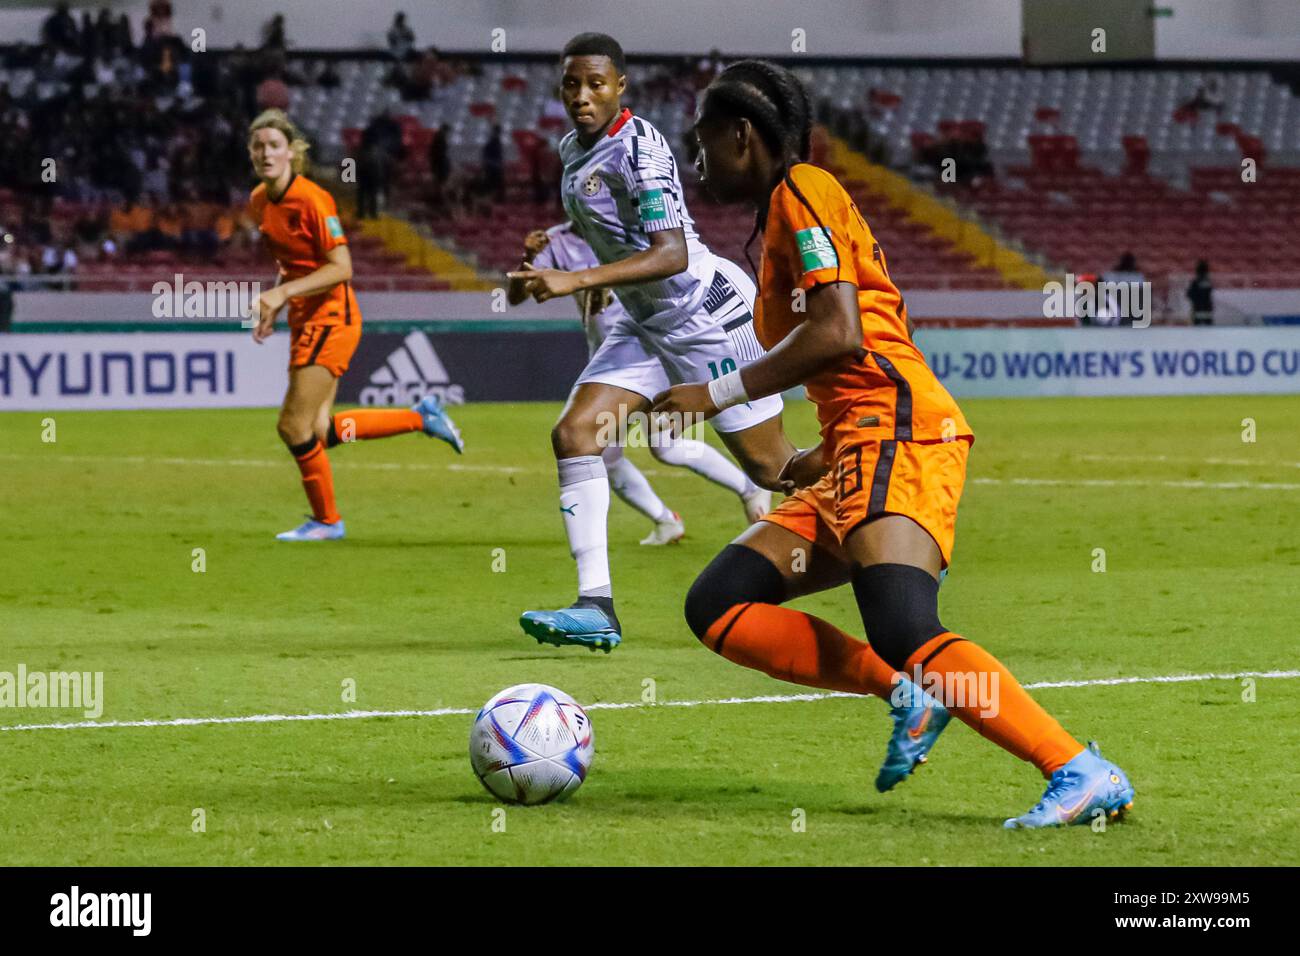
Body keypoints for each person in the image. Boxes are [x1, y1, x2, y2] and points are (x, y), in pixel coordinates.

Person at [654, 60, 1135, 827]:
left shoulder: (803, 190)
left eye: (703, 141)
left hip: (900, 429)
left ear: (742, 134)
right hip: (861, 439)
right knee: (719, 604)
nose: (696, 159)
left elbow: (839, 331)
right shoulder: (787, 207)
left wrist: (713, 393)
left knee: (907, 625)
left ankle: (1077, 768)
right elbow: (850, 346)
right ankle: (906, 690)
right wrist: (819, 452)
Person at [507, 33, 795, 653]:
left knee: (771, 468)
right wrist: (542, 272)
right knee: (576, 434)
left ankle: (888, 510)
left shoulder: (641, 148)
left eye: (595, 84)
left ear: (620, 88)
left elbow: (672, 253)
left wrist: (575, 278)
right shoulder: (573, 150)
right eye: (571, 85)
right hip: (645, 324)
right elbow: (610, 232)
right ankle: (596, 607)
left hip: (704, 313)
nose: (582, 97)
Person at [245, 109, 464, 541]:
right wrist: (276, 300)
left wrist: (282, 294)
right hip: (307, 317)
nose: (265, 153)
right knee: (320, 431)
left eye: (274, 145)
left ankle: (327, 522)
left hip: (332, 315)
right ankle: (420, 417)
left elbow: (341, 267)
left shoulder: (312, 200)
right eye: (258, 146)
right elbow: (291, 265)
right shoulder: (258, 201)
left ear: (292, 152)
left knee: (292, 426)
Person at [510, 221, 773, 545]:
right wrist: (528, 258)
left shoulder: (632, 233)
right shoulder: (557, 241)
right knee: (626, 452)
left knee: (646, 445)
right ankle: (676, 517)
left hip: (651, 350)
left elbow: (671, 260)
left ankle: (744, 489)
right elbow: (516, 296)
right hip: (611, 357)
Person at [1187, 259, 1213, 326]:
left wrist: (1194, 299)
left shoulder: (1196, 282)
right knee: (1207, 325)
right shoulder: (1208, 281)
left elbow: (1189, 294)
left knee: (1198, 325)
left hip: (1199, 306)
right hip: (1205, 306)